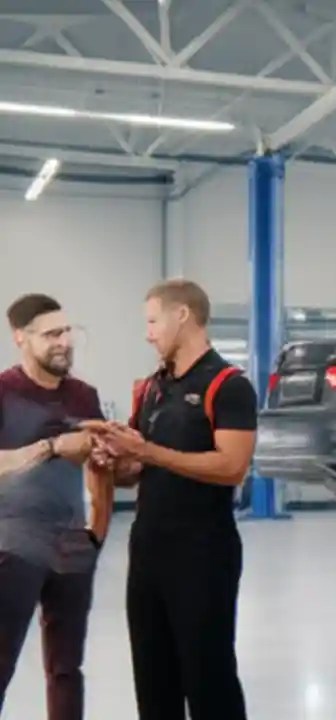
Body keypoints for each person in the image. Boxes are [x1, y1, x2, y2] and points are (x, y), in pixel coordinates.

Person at [81, 278, 257, 720]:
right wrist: (113, 461)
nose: (148, 334)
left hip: (203, 552)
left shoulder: (229, 386)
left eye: (153, 322)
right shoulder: (154, 388)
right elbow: (138, 471)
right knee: (153, 680)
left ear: (183, 316)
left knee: (208, 678)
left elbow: (232, 467)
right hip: (148, 550)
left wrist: (148, 451)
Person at [0, 293, 115, 720]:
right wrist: (50, 447)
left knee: (67, 669)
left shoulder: (84, 396)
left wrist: (97, 530)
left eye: (68, 331)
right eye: (52, 334)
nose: (64, 342)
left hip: (72, 544)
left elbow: (99, 467)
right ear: (21, 338)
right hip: (13, 544)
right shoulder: (4, 391)